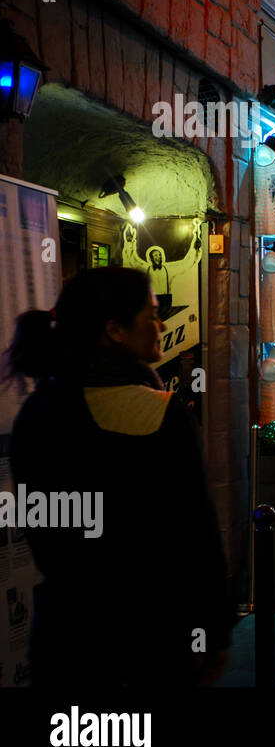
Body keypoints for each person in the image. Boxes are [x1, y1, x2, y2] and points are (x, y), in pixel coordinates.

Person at [6, 267, 233, 685]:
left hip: (64, 636)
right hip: (148, 637)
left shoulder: (35, 415)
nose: (161, 324)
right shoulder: (161, 413)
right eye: (150, 314)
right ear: (115, 330)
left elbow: (45, 533)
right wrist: (212, 633)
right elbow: (195, 535)